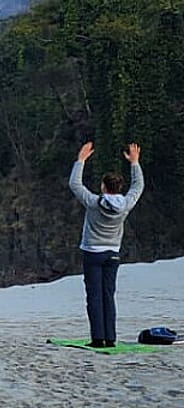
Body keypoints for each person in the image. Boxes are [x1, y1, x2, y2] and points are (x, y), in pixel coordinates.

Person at [68, 141, 144, 347]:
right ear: (119, 188)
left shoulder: (93, 202)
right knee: (108, 296)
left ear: (103, 187)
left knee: (94, 296)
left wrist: (80, 160)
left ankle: (97, 339)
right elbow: (138, 186)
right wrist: (134, 163)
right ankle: (110, 339)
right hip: (113, 254)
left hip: (92, 254)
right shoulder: (126, 205)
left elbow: (75, 185)